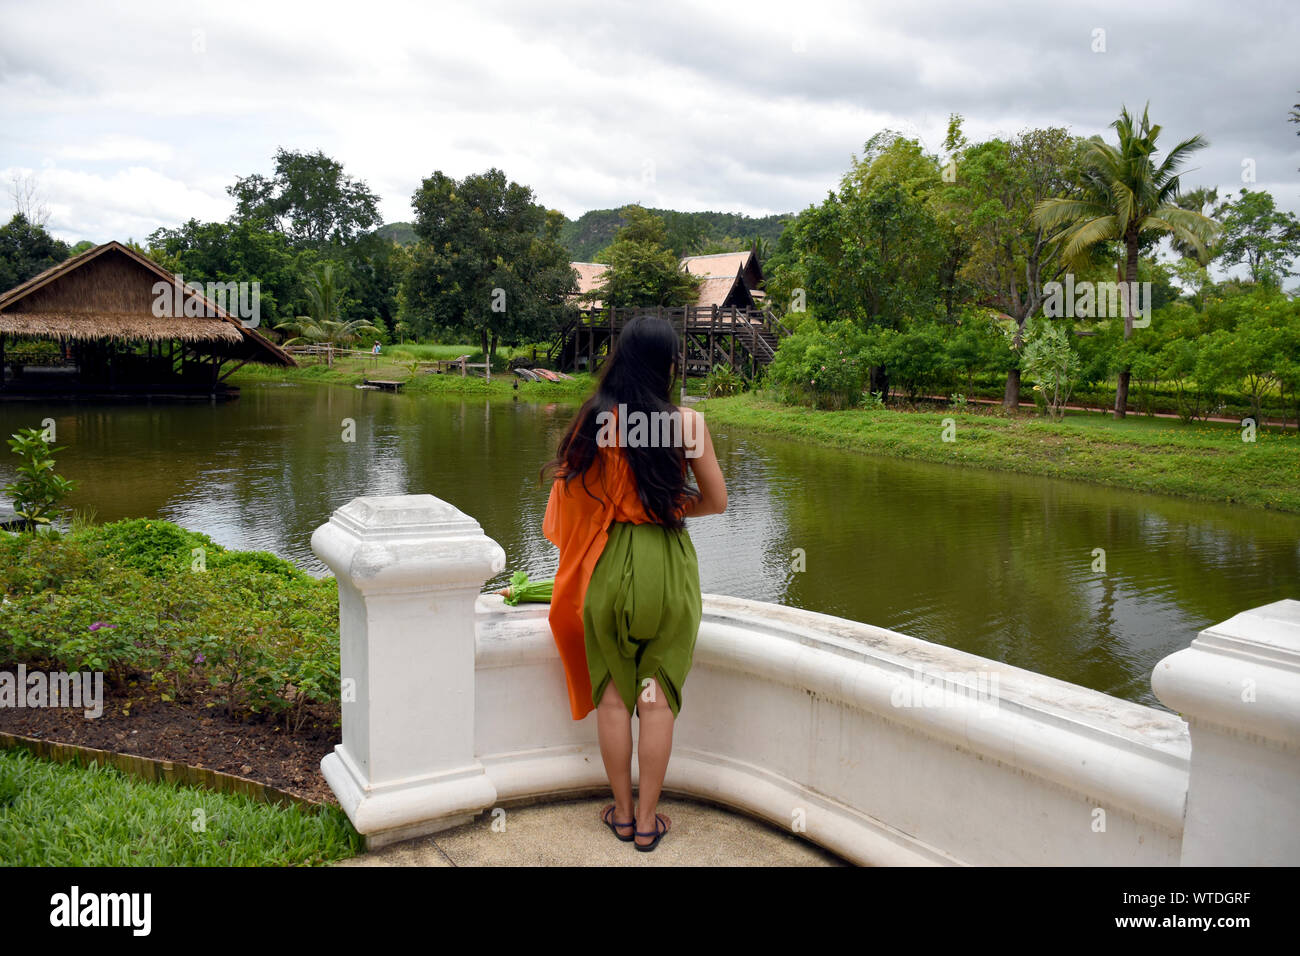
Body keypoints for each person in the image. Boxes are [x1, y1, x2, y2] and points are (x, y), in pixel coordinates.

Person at [541, 316, 727, 852]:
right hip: (666, 568)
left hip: (607, 564)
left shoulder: (596, 422)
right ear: (667, 364)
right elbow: (715, 501)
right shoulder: (687, 424)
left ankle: (620, 814)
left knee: (616, 701)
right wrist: (667, 502)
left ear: (620, 358)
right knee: (656, 699)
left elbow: (567, 502)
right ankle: (649, 822)